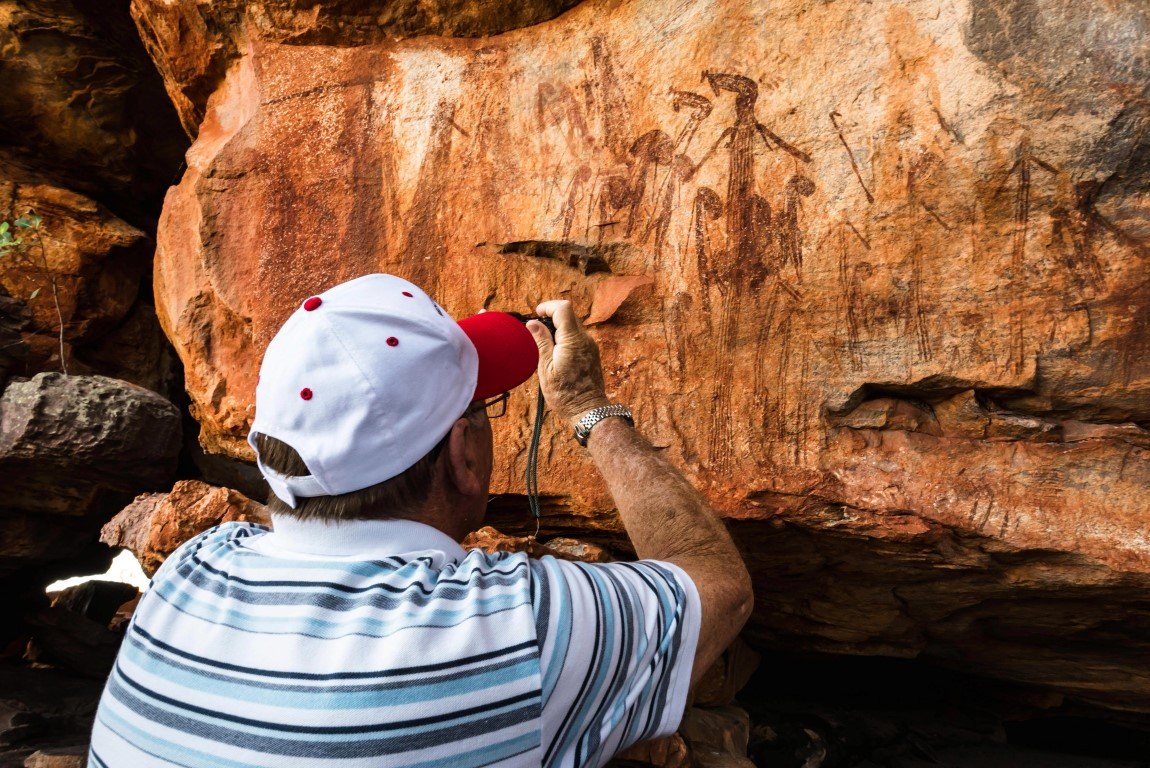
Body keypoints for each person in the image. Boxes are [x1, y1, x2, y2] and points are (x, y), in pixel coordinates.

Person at [88, 273, 752, 768]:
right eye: (483, 405)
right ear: (463, 457)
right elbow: (717, 585)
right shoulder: (513, 624)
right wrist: (588, 407)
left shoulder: (189, 574)